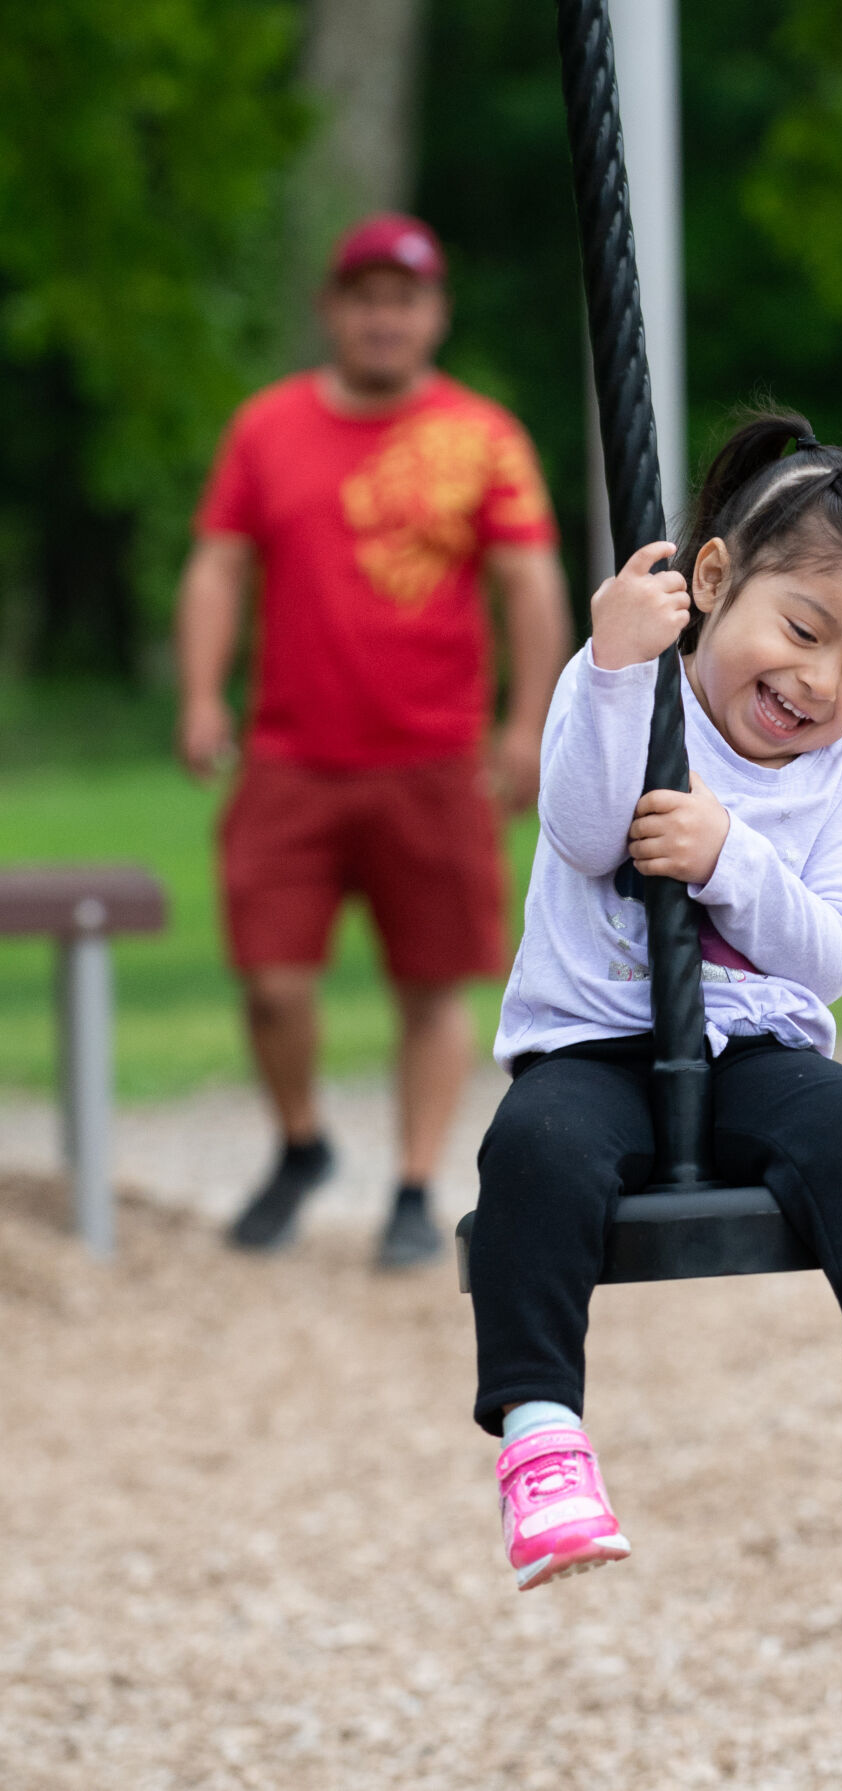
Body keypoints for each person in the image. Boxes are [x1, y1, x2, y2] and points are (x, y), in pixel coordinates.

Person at [467, 408, 842, 1591]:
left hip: (753, 1054)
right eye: (802, 631)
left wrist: (733, 859)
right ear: (713, 580)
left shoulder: (841, 781)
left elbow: (831, 957)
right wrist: (611, 667)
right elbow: (589, 830)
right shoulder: (624, 692)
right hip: (593, 1050)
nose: (819, 683)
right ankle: (543, 1442)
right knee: (534, 1152)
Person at [176, 213, 569, 1268]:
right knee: (271, 976)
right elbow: (218, 563)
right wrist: (203, 693)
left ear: (433, 314)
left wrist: (529, 724)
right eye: (365, 297)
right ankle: (302, 1142)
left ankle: (410, 1184)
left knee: (433, 983)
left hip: (435, 758)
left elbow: (528, 581)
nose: (384, 317)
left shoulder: (483, 437)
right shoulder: (267, 429)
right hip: (291, 754)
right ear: (333, 311)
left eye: (405, 299)